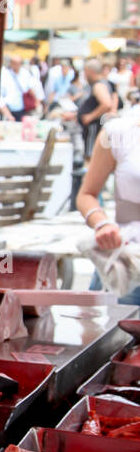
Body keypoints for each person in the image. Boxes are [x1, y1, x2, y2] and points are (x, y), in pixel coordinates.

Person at [77, 111, 140, 305]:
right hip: (129, 265)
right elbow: (86, 194)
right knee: (115, 333)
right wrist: (102, 224)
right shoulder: (118, 133)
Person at [77, 58, 120, 159]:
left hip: (94, 127)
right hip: (97, 126)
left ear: (91, 71)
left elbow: (107, 104)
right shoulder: (104, 83)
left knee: (91, 156)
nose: (84, 75)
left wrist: (90, 117)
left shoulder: (99, 85)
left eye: (85, 72)